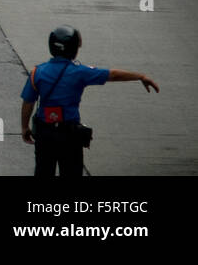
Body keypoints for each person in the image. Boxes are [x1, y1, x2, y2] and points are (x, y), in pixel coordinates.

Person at [20, 25, 160, 177]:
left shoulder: (37, 72)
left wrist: (25, 127)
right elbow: (112, 75)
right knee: (72, 171)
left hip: (44, 133)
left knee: (43, 171)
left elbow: (28, 103)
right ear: (73, 49)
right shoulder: (80, 72)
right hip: (70, 134)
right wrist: (140, 76)